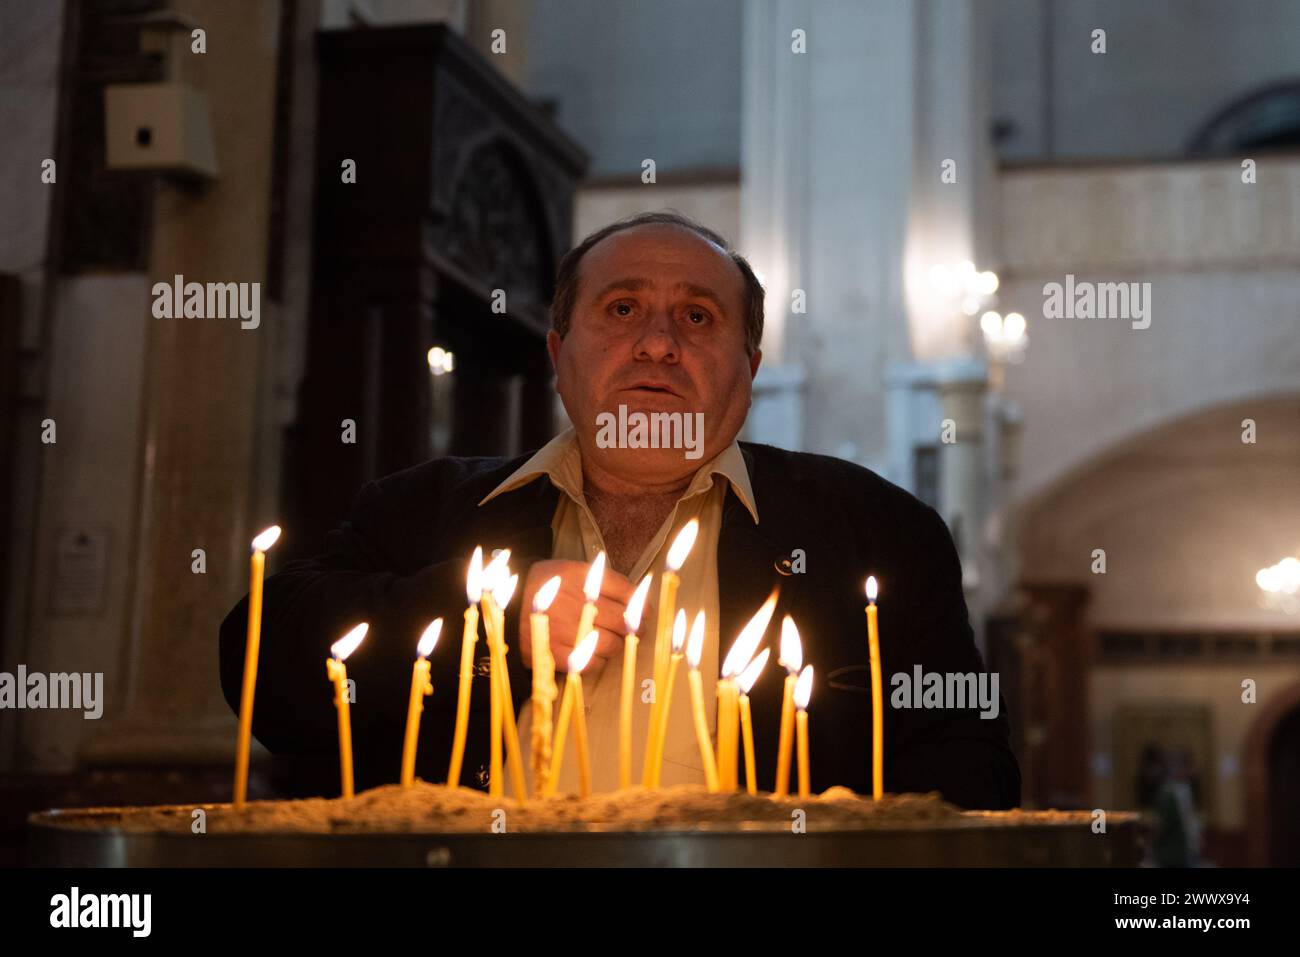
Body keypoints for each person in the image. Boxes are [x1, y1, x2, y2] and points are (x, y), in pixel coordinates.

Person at [218, 210, 1021, 808]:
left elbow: (974, 766)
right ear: (560, 355)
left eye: (698, 317)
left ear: (747, 369)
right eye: (623, 308)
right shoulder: (426, 508)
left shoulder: (874, 533)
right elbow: (264, 665)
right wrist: (492, 616)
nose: (659, 343)